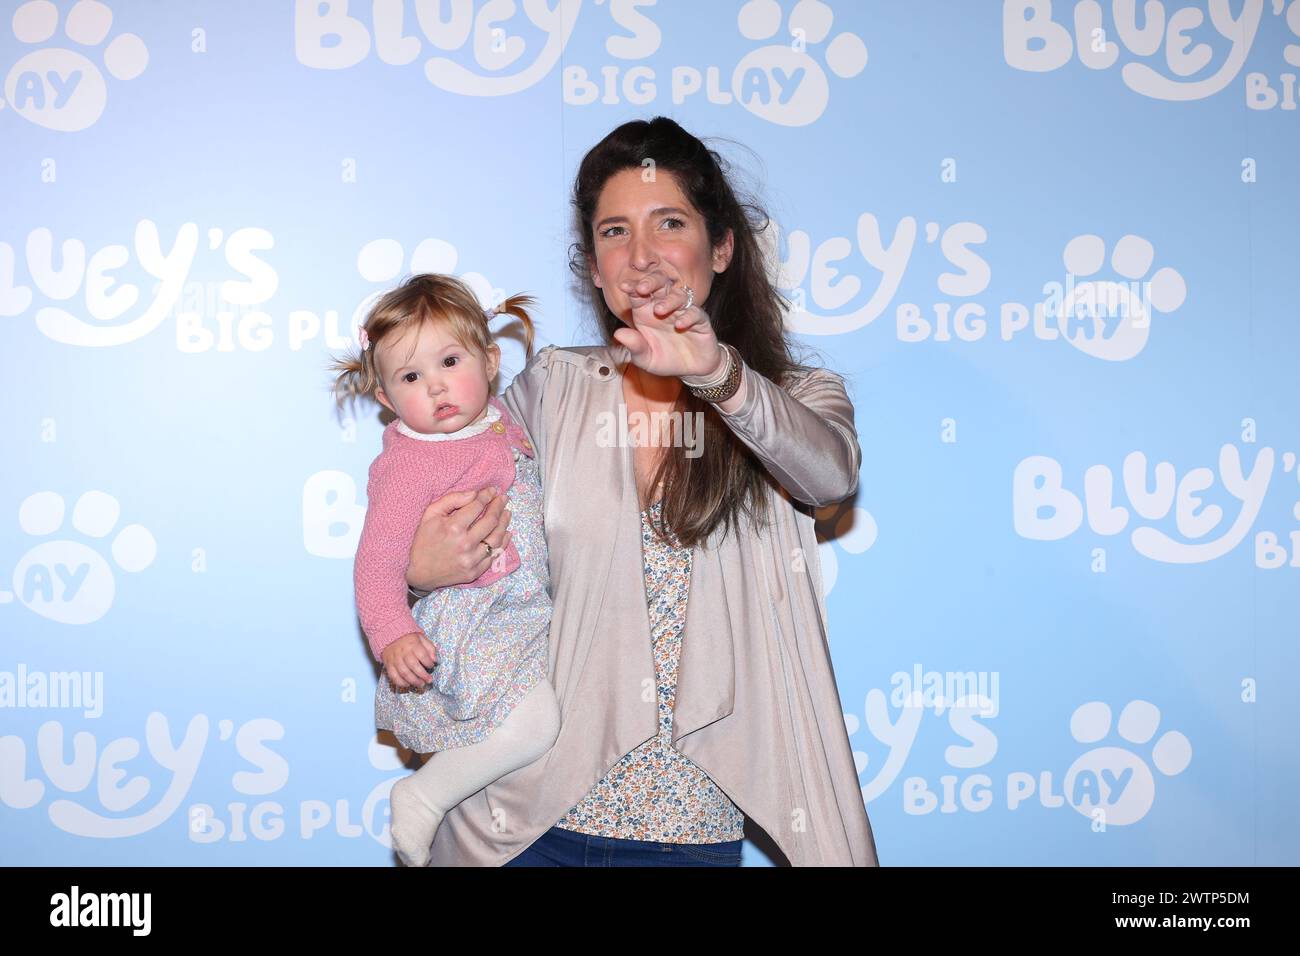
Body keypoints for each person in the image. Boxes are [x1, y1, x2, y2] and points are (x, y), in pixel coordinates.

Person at [405, 116, 879, 867]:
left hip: (686, 838)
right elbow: (435, 509)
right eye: (614, 232)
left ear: (720, 248)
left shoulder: (788, 396)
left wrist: (717, 373)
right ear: (592, 266)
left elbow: (829, 476)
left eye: (669, 223)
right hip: (521, 825)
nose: (642, 256)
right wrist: (418, 565)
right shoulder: (552, 390)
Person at [330, 274, 560, 867]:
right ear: (386, 397)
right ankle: (424, 794)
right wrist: (392, 633)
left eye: (450, 362)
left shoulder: (503, 419)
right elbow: (377, 561)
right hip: (476, 622)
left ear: (489, 362)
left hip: (526, 611)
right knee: (535, 724)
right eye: (410, 377)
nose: (436, 387)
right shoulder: (410, 464)